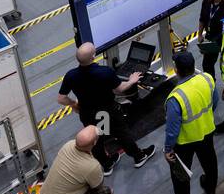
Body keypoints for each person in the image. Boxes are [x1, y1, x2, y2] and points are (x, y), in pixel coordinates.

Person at [57, 42, 156, 173]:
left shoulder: (70, 75)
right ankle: (139, 156)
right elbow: (120, 90)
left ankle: (106, 164)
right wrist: (132, 80)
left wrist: (74, 105)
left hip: (87, 113)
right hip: (107, 112)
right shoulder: (105, 72)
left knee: (96, 139)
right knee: (121, 134)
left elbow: (61, 98)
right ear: (93, 57)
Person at [163, 51, 219, 194]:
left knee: (180, 178)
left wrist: (168, 149)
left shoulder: (176, 97)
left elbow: (172, 129)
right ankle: (210, 189)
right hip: (206, 131)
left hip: (184, 143)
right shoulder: (207, 79)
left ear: (176, 70)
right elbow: (214, 102)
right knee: (210, 162)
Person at [38, 126, 128, 194]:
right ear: (94, 143)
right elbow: (98, 188)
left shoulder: (68, 145)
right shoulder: (92, 166)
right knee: (108, 192)